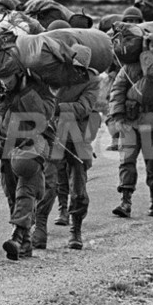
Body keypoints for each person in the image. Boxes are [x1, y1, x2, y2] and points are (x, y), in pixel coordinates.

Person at [36, 46, 101, 249]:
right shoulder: (53, 76)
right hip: (52, 134)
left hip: (78, 135)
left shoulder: (92, 81)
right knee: (49, 183)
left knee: (79, 188)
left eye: (79, 67)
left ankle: (76, 230)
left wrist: (57, 107)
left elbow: (84, 108)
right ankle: (39, 229)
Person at [0, 62, 56, 261]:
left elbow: (43, 115)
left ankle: (17, 234)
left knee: (26, 183)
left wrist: (24, 92)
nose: (5, 83)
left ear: (20, 75)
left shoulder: (39, 88)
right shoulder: (0, 90)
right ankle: (25, 242)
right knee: (11, 191)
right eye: (2, 80)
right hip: (8, 143)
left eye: (9, 79)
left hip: (36, 142)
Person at [109, 35, 153, 218]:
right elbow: (117, 90)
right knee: (126, 162)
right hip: (131, 121)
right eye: (149, 45)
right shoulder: (129, 67)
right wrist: (118, 116)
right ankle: (125, 200)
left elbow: (152, 73)